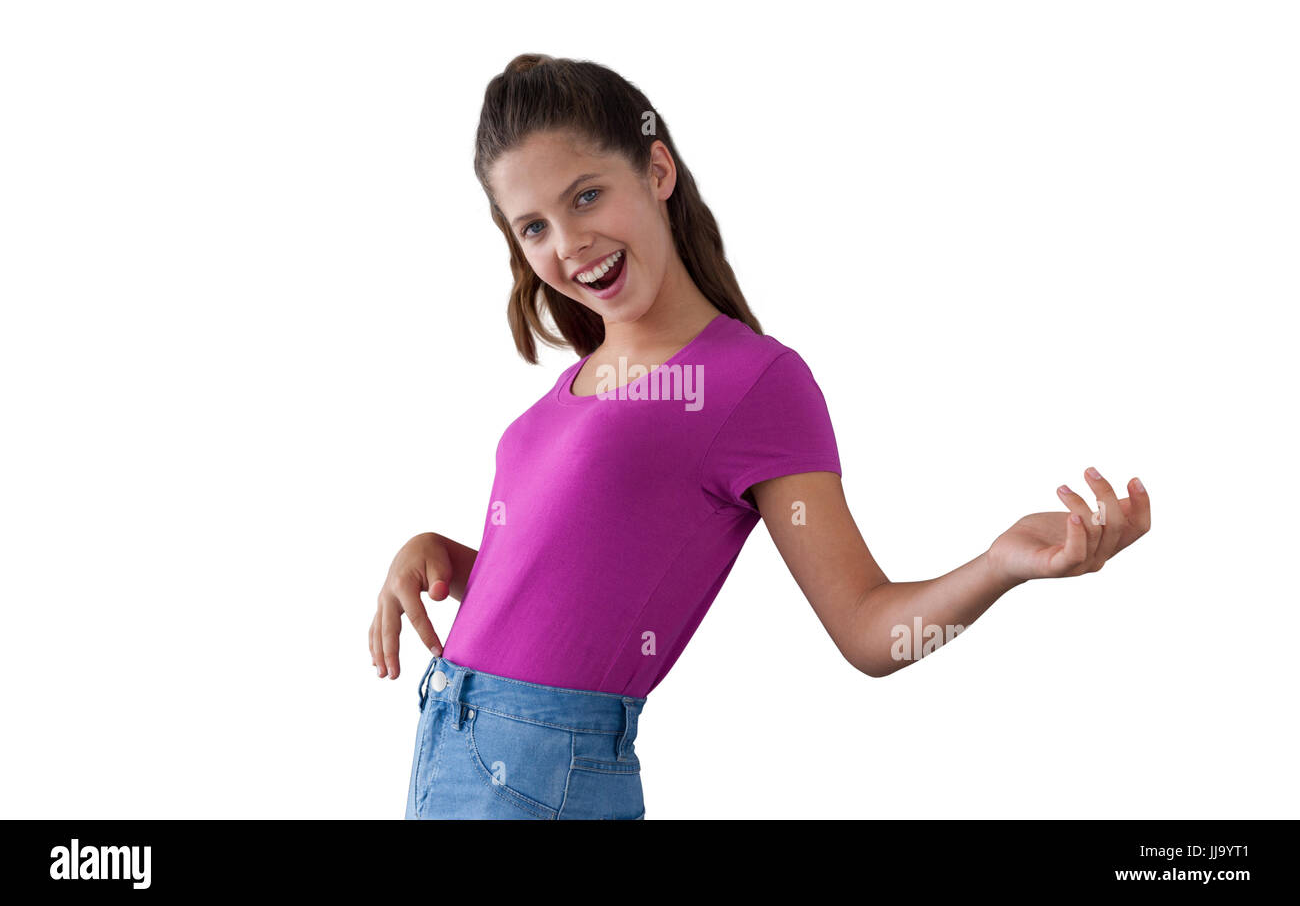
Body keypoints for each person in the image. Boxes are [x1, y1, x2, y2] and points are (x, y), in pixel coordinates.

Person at [368, 54, 1153, 820]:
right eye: (533, 225)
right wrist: (439, 553)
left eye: (587, 196)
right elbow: (561, 594)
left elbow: (868, 628)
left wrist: (999, 566)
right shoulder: (579, 379)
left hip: (538, 772)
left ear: (658, 171)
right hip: (447, 739)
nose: (567, 243)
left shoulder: (751, 382)